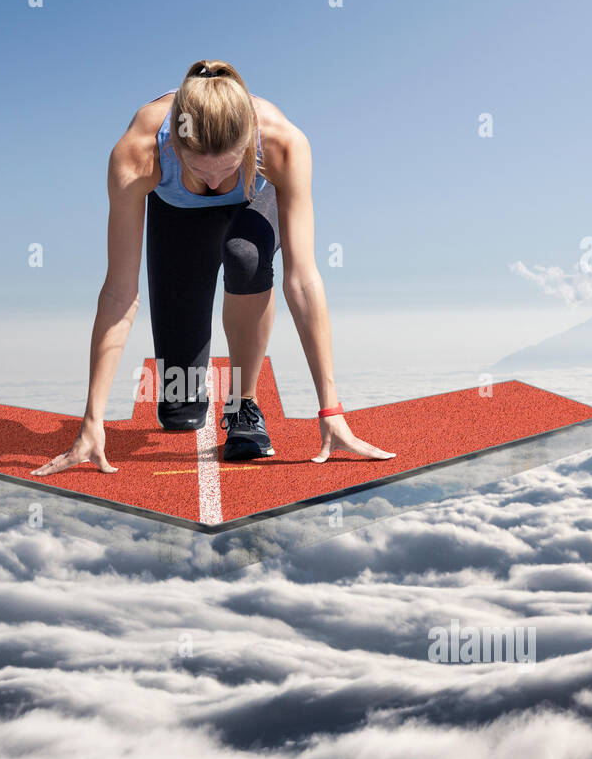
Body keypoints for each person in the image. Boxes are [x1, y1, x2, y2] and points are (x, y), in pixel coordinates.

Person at [32, 59, 394, 475]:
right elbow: (118, 292)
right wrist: (91, 422)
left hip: (252, 201)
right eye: (198, 168)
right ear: (175, 149)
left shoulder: (282, 144)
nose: (213, 183)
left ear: (249, 143)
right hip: (177, 213)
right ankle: (185, 397)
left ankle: (243, 404)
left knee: (245, 256)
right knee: (179, 405)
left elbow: (303, 280)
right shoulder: (138, 152)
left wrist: (331, 409)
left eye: (227, 167)